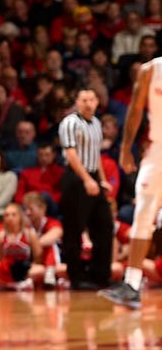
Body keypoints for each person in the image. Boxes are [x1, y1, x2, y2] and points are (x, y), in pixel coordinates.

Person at [104, 54, 161, 308]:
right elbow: (136, 109)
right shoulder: (151, 70)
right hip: (158, 150)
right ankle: (132, 284)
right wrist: (126, 147)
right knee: (143, 213)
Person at [56, 88, 115, 290]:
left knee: (105, 226)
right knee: (74, 229)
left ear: (97, 102)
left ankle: (101, 275)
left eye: (91, 99)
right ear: (77, 102)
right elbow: (71, 154)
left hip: (93, 176)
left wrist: (102, 180)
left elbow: (96, 155)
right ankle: (76, 277)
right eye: (83, 100)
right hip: (76, 178)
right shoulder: (70, 122)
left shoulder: (97, 123)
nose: (88, 104)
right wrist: (87, 179)